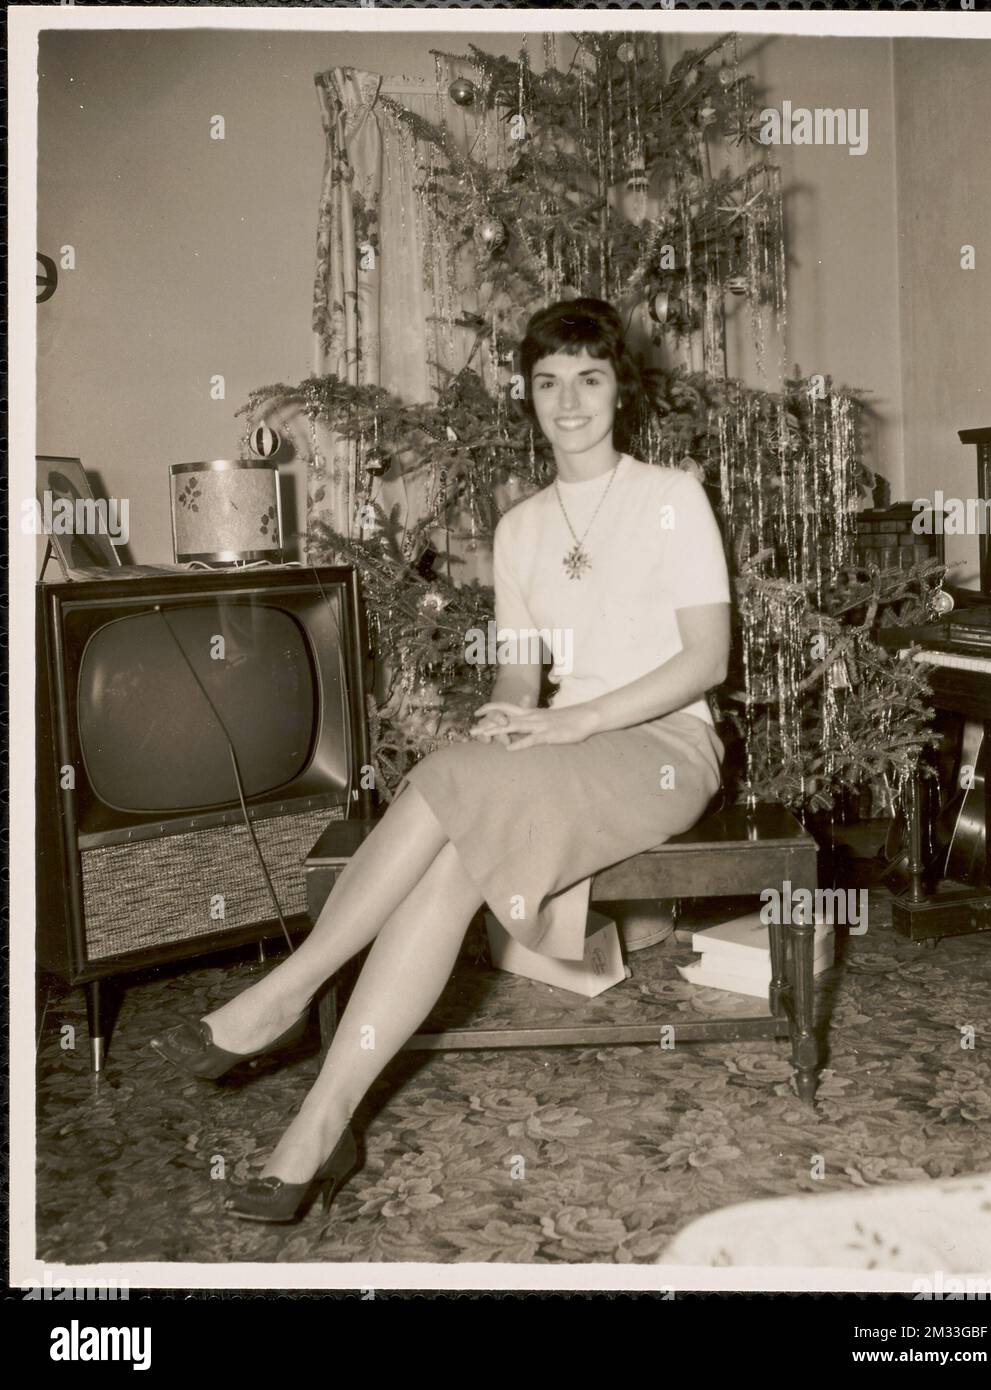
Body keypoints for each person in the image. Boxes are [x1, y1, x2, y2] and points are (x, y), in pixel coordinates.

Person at [151, 297, 732, 1223]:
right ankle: (322, 1118)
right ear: (528, 397)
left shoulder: (672, 497)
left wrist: (574, 726)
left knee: (450, 787)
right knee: (454, 840)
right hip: (561, 749)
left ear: (621, 388)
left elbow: (706, 661)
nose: (569, 401)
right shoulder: (521, 527)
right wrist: (509, 723)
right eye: (548, 383)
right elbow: (517, 679)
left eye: (589, 378)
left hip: (661, 748)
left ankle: (291, 991)